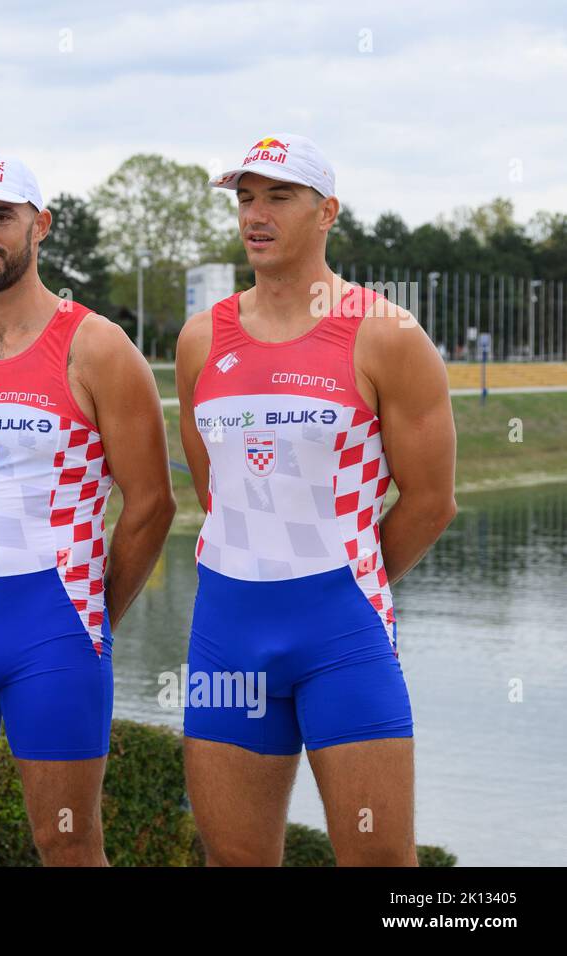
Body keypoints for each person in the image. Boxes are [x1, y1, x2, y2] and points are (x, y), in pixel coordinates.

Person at [0, 153, 176, 866]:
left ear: (39, 225)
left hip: (56, 628)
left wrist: (94, 609)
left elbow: (152, 504)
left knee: (68, 844)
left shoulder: (98, 347)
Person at [175, 134, 457, 866]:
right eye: (244, 199)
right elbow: (217, 491)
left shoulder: (386, 334)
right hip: (226, 631)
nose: (255, 215)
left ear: (326, 210)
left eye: (278, 196)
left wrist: (346, 580)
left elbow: (430, 501)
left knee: (382, 867)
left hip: (342, 633)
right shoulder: (201, 339)